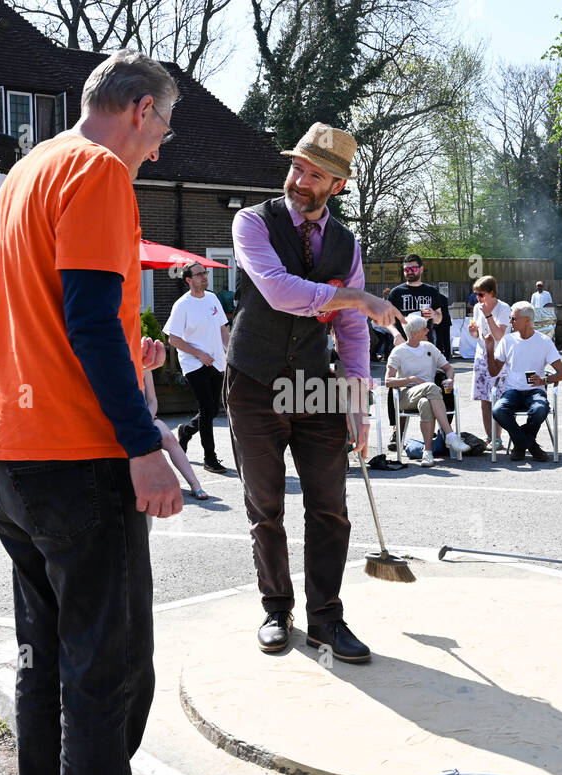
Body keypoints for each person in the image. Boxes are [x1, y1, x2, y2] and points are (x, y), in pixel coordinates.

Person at [0, 49, 183, 775]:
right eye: (164, 127)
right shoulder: (99, 172)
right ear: (140, 110)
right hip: (78, 457)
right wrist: (141, 441)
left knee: (47, 660)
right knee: (110, 673)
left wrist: (130, 358)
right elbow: (87, 319)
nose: (161, 148)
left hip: (7, 452)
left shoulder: (24, 173)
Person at [228, 122, 403, 664]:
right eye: (297, 168)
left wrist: (358, 402)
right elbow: (280, 292)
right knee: (266, 506)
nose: (300, 181)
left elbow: (351, 333)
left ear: (338, 186)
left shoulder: (345, 243)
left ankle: (326, 617)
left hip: (312, 383)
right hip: (254, 380)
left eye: (315, 175)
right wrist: (356, 296)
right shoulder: (251, 222)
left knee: (331, 506)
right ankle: (276, 609)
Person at [163, 261, 230, 474]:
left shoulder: (212, 299)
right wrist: (200, 354)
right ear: (189, 280)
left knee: (210, 410)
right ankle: (210, 458)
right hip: (194, 364)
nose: (204, 276)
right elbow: (173, 339)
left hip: (217, 362)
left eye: (205, 272)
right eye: (199, 274)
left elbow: (223, 330)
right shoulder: (182, 305)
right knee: (206, 409)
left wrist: (230, 355)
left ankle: (186, 430)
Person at [385, 312, 470, 466]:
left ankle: (427, 453)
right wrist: (411, 379)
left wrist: (450, 379)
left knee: (426, 403)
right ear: (415, 332)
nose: (428, 331)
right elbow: (388, 381)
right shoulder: (398, 351)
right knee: (431, 387)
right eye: (425, 329)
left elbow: (448, 368)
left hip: (429, 396)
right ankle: (450, 435)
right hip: (406, 395)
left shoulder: (429, 347)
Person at [486, 302, 562, 461]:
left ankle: (519, 445)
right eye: (510, 318)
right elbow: (493, 372)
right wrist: (489, 350)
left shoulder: (544, 341)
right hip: (512, 391)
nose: (510, 321)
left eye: (513, 318)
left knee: (539, 410)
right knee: (498, 410)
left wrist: (544, 380)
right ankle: (530, 445)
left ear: (527, 320)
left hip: (535, 391)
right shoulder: (507, 340)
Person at [144, 370, 208, 500]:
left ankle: (194, 484)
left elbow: (152, 400)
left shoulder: (144, 366)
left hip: (145, 418)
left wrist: (146, 421)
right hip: (121, 422)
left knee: (169, 438)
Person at [467, 275, 512, 451]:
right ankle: (489, 436)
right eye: (476, 294)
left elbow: (499, 335)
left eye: (481, 294)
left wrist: (488, 315)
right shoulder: (478, 308)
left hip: (499, 356)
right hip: (481, 355)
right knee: (484, 399)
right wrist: (473, 333)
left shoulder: (503, 308)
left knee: (497, 397)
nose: (478, 298)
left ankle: (498, 437)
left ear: (492, 293)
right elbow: (477, 335)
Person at [388, 254, 450, 358]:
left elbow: (439, 319)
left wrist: (434, 314)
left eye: (413, 268)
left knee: (427, 374)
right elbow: (387, 320)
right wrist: (396, 335)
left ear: (421, 269)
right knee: (404, 374)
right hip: (403, 345)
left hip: (426, 345)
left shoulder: (431, 291)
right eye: (406, 269)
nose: (410, 271)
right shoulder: (396, 292)